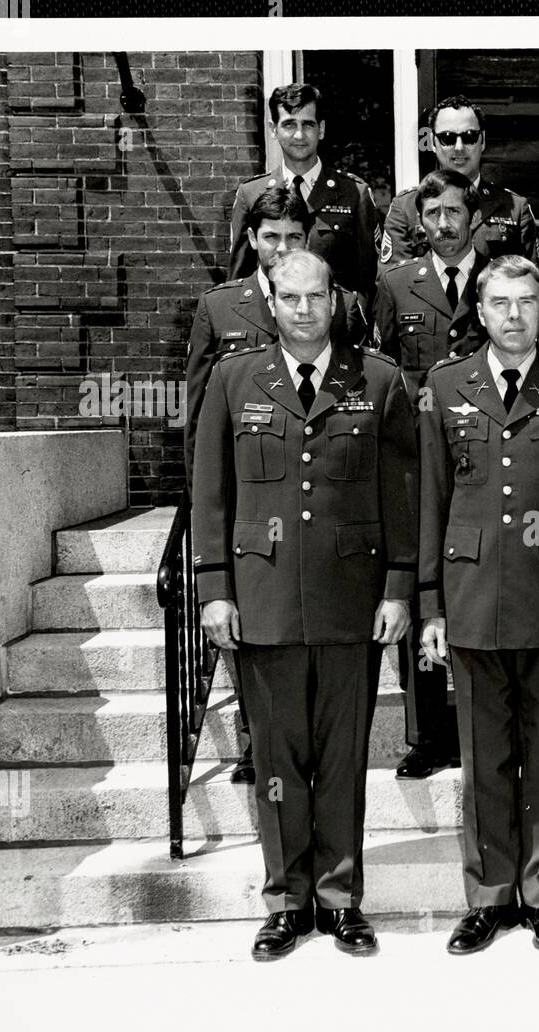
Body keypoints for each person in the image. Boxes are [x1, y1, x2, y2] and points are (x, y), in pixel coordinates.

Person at [192, 250, 418, 961]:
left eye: (315, 296)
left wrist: (400, 587)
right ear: (271, 304)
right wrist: (214, 589)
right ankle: (287, 899)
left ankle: (341, 898)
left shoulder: (379, 381)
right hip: (263, 601)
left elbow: (403, 493)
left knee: (344, 756)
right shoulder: (233, 381)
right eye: (288, 297)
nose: (302, 309)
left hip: (352, 601)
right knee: (279, 764)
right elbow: (210, 493)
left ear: (334, 301)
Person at [419, 255, 539, 956]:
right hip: (471, 599)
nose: (513, 314)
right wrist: (430, 607)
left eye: (526, 301)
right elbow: (431, 502)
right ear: (479, 309)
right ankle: (487, 895)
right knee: (485, 758)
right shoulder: (445, 386)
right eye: (499, 302)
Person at [186, 187, 366, 783]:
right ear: (251, 241)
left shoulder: (338, 306)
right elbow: (202, 427)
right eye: (271, 237)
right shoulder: (220, 307)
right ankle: (251, 742)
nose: (282, 247)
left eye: (294, 236)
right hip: (252, 499)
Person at [373, 168, 490, 781]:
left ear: (472, 214)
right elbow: (387, 371)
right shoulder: (396, 283)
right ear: (419, 221)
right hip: (419, 459)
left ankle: (480, 724)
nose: (444, 224)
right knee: (423, 586)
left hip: (485, 456)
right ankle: (425, 734)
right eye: (433, 214)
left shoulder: (502, 276)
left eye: (454, 212)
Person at [227, 83, 381, 312]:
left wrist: (353, 326)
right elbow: (238, 279)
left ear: (321, 129)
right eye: (289, 124)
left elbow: (369, 279)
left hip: (335, 328)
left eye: (308, 124)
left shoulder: (353, 193)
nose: (299, 135)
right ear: (273, 129)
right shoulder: (251, 194)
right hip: (269, 330)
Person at [381, 94, 537, 267]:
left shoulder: (514, 208)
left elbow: (530, 283)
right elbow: (393, 285)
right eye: (447, 138)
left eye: (469, 136)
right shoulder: (405, 208)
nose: (459, 147)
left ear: (482, 140)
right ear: (433, 142)